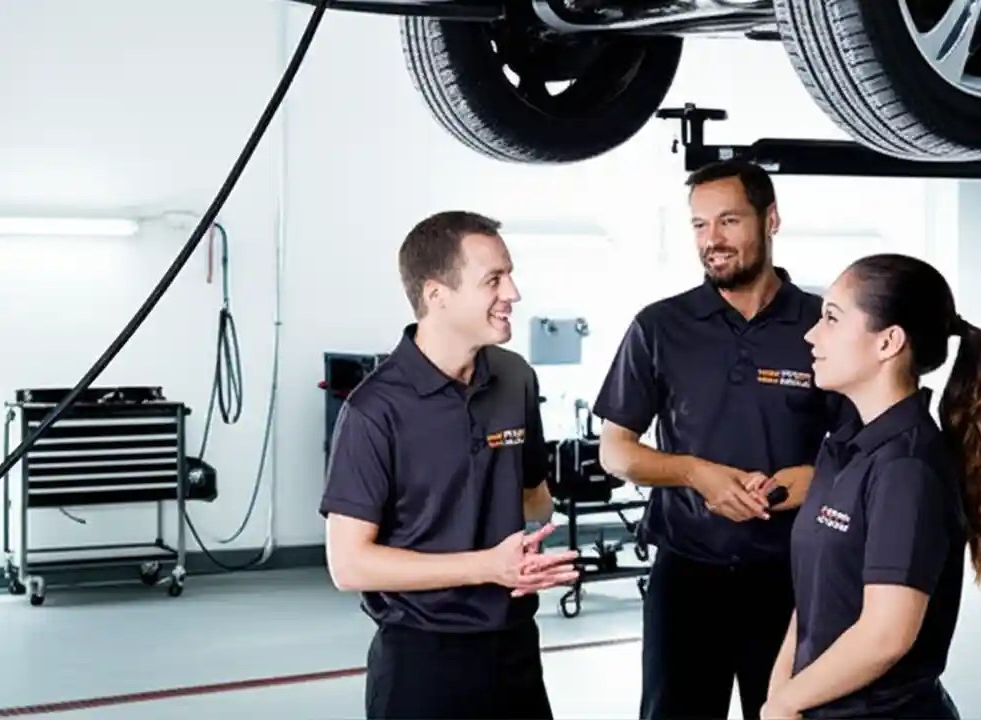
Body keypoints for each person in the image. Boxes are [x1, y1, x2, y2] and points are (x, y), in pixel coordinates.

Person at [594, 159, 857, 720]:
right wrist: (694, 472)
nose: (711, 240)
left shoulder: (823, 327)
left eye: (729, 221)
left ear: (771, 220)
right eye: (698, 225)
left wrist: (814, 481)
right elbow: (615, 450)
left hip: (793, 577)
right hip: (688, 577)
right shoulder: (659, 327)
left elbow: (863, 452)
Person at [319, 210, 580, 720]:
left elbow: (534, 495)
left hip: (515, 650)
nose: (514, 293)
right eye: (493, 280)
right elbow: (348, 565)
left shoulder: (515, 377)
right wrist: (487, 565)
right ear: (437, 296)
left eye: (509, 274)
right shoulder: (374, 410)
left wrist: (521, 551)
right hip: (422, 659)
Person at [760, 253, 981, 720]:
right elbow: (814, 598)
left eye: (831, 318)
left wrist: (786, 702)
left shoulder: (908, 468)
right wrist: (779, 694)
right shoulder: (842, 449)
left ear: (889, 342)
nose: (812, 335)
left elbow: (885, 636)